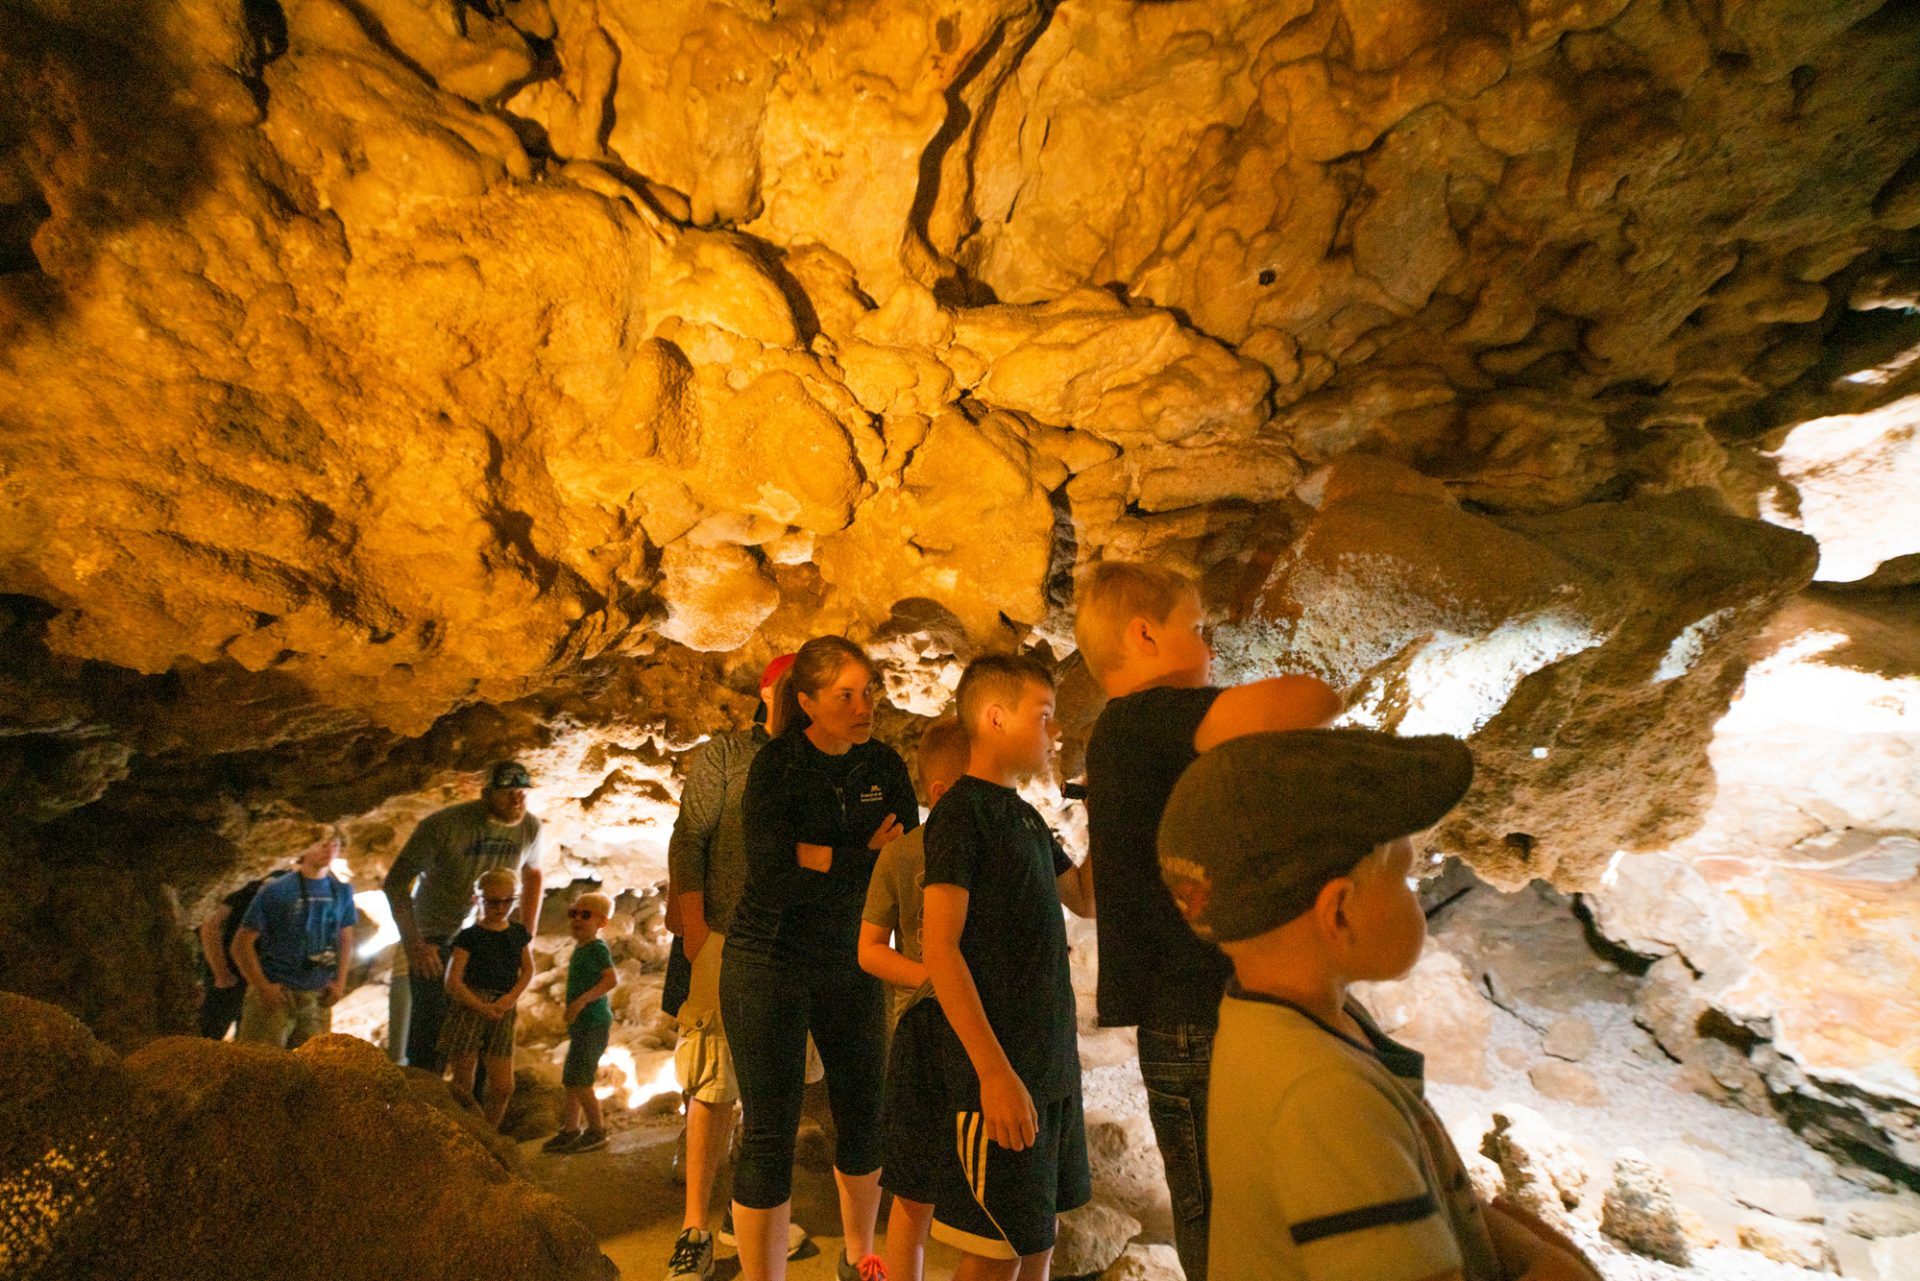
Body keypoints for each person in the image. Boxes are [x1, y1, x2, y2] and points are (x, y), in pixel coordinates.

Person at [1157, 729, 1604, 1281]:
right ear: (1340, 914)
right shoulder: (1326, 1097)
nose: (1414, 891)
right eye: (1405, 876)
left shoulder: (1282, 1022)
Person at [1076, 560, 1343, 1280]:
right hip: (1197, 1016)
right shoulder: (1148, 719)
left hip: (1187, 1017)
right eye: (1196, 628)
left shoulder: (1122, 741)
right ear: (1145, 636)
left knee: (1220, 1207)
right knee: (1229, 1213)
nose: (1211, 645)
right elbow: (1309, 700)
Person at [720, 635, 920, 1281]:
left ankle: (859, 1258)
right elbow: (773, 873)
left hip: (851, 957)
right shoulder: (778, 766)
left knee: (864, 1115)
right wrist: (862, 855)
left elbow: (904, 862)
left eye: (869, 692)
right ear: (806, 702)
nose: (864, 707)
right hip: (769, 956)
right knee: (770, 1130)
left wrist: (822, 854)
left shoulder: (883, 765)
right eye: (846, 695)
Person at [921, 654, 1096, 1280]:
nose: (1056, 732)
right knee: (994, 1254)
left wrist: (1111, 808)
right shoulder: (960, 815)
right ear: (995, 718)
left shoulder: (1022, 816)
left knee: (1036, 1240)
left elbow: (1086, 898)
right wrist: (993, 1074)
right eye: (1044, 716)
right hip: (1001, 1075)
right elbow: (940, 948)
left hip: (1047, 1070)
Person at [664, 655, 816, 1279]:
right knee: (712, 1083)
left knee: (771, 1085)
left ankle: (743, 1213)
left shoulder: (820, 761)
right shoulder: (726, 756)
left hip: (793, 946)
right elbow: (689, 838)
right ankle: (694, 1228)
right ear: (769, 693)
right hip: (725, 937)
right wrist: (698, 933)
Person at [856, 716, 971, 1281]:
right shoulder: (903, 855)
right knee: (914, 1187)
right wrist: (933, 973)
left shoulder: (995, 845)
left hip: (974, 1029)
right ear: (943, 791)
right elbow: (870, 949)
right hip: (921, 1032)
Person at [382, 760, 544, 1071]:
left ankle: (470, 1098)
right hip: (434, 935)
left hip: (487, 935)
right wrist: (415, 944)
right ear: (486, 794)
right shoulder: (443, 826)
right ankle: (426, 1092)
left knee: (483, 1023)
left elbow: (533, 873)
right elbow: (396, 883)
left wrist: (526, 935)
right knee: (431, 1027)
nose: (517, 800)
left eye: (522, 793)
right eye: (508, 793)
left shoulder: (530, 828)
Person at [231, 828, 356, 1049]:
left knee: (311, 1065)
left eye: (335, 845)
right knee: (260, 1062)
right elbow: (241, 944)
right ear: (304, 847)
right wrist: (262, 987)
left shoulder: (342, 891)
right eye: (323, 844)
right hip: (278, 993)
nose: (329, 850)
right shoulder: (277, 890)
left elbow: (345, 939)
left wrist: (340, 983)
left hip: (317, 996)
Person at [440, 866, 534, 1128]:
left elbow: (528, 969)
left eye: (507, 901)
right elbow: (453, 981)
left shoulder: (517, 933)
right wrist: (481, 1006)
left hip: (502, 1006)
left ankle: (488, 1133)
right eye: (493, 901)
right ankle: (463, 1133)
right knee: (463, 1083)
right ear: (478, 900)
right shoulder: (469, 937)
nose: (501, 907)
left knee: (503, 1086)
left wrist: (510, 999)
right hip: (470, 1007)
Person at [546, 889, 619, 1155]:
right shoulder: (582, 947)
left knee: (581, 1079)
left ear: (602, 922)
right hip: (583, 1024)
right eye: (573, 913)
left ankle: (597, 1130)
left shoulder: (597, 948)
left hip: (593, 1023)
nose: (577, 918)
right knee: (571, 1078)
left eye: (586, 915)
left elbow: (611, 980)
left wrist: (580, 1003)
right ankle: (570, 1129)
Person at [198, 871, 278, 1039]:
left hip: (261, 977)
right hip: (232, 976)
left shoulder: (288, 880)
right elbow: (210, 925)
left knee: (251, 1042)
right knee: (206, 1037)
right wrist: (222, 974)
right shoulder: (244, 882)